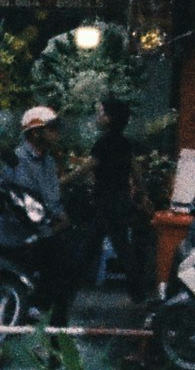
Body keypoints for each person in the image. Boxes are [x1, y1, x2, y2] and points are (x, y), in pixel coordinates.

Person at [2, 105, 77, 324]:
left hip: (46, 228)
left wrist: (60, 217)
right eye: (51, 128)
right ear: (35, 132)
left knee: (70, 269)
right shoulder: (14, 161)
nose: (56, 134)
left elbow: (53, 199)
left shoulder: (50, 162)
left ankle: (55, 337)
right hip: (18, 230)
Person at [85, 97, 141, 302]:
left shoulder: (104, 143)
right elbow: (135, 170)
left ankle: (69, 286)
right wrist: (143, 194)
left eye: (101, 113)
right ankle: (137, 292)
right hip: (120, 200)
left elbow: (88, 166)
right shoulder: (125, 143)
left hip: (105, 202)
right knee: (117, 244)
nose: (98, 116)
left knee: (112, 245)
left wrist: (62, 181)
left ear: (109, 118)